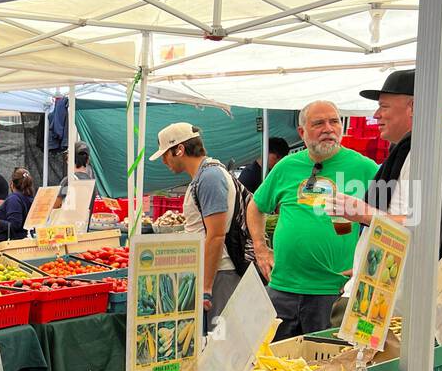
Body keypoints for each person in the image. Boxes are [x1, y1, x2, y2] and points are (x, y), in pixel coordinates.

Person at [330, 69, 442, 288]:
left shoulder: (430, 155)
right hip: (384, 282)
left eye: (384, 106)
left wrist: (365, 214)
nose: (376, 114)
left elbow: (424, 224)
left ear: (414, 107)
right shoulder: (427, 152)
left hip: (405, 296)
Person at [246, 101, 380, 338]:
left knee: (325, 368)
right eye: (318, 123)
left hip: (332, 293)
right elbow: (256, 207)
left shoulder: (365, 168)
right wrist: (260, 248)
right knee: (271, 365)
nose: (328, 128)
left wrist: (367, 267)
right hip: (281, 289)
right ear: (302, 132)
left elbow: (392, 223)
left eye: (334, 121)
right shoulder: (286, 167)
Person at [150, 123, 242, 324]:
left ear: (179, 150)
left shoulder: (210, 177)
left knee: (219, 340)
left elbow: (216, 235)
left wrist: (206, 288)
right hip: (213, 271)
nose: (164, 161)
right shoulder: (204, 175)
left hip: (221, 273)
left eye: (165, 154)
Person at [0, 168, 34, 243]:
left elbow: (14, 225)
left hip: (10, 246)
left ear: (12, 183)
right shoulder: (30, 198)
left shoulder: (14, 199)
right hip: (24, 243)